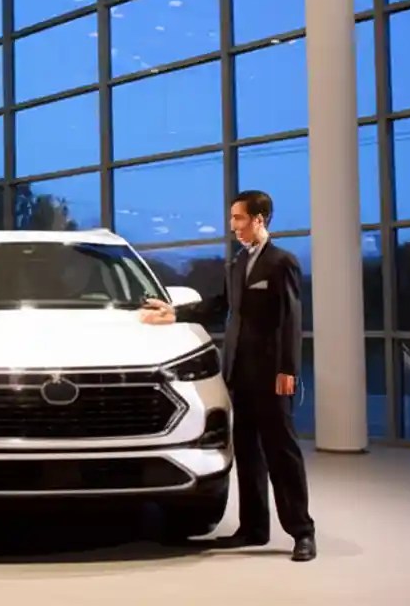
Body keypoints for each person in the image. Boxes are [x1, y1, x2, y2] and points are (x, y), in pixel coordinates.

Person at [139, 190, 317, 562]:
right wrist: (175, 312)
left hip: (272, 375)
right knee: (248, 453)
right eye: (232, 218)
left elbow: (291, 320)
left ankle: (302, 532)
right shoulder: (238, 263)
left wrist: (288, 370)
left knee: (282, 453)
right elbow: (221, 307)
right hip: (239, 373)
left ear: (260, 219)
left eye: (238, 218)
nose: (232, 225)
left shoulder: (282, 262)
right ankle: (253, 528)